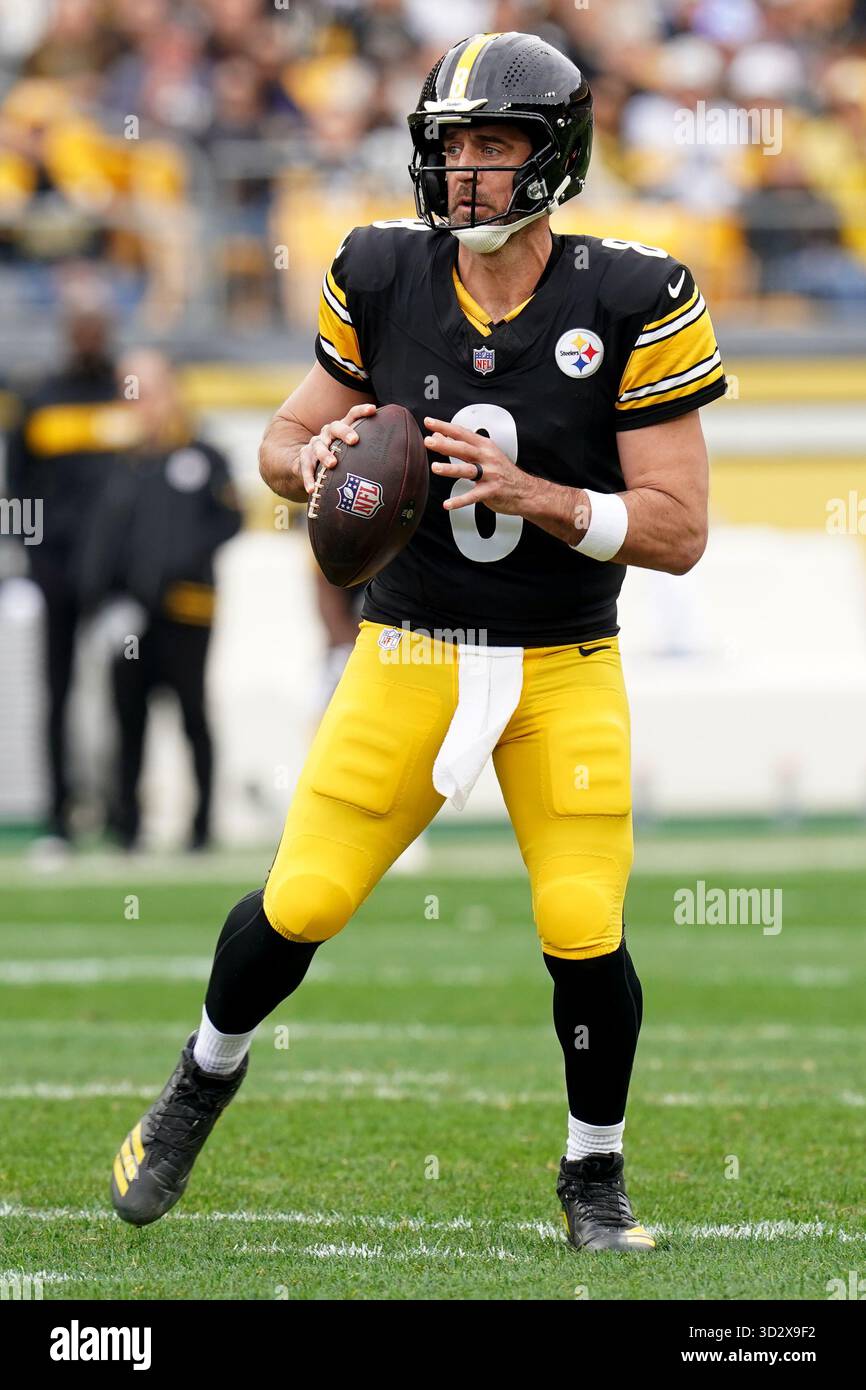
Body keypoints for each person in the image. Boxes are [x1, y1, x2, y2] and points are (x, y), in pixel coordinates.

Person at [108, 32, 726, 1252]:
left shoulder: (633, 293)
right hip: (410, 650)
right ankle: (197, 1081)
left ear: (552, 157)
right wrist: (317, 459)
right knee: (304, 897)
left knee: (581, 926)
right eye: (451, 146)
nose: (465, 174)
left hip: (561, 660)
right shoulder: (382, 271)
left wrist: (532, 493)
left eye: (493, 147)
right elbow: (282, 441)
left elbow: (677, 529)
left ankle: (592, 1176)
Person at [78, 349, 242, 850]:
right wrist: (100, 600)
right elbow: (102, 541)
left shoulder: (202, 455)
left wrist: (174, 569)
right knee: (128, 718)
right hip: (129, 617)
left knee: (192, 715)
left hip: (186, 611)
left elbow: (226, 520)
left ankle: (201, 827)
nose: (141, 402)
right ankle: (126, 825)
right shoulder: (120, 466)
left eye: (147, 389)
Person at [5, 276, 126, 843]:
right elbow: (16, 491)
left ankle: (125, 816)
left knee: (126, 692)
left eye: (95, 325)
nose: (88, 335)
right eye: (80, 325)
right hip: (55, 570)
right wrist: (28, 558)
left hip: (117, 575)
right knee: (57, 693)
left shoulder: (126, 392)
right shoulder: (38, 398)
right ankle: (60, 816)